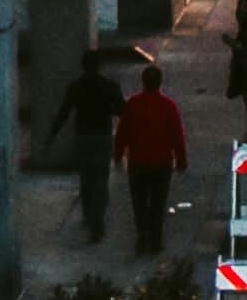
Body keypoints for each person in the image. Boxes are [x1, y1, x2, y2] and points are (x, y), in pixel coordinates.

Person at [46, 42, 129, 244]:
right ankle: (97, 221)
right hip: (101, 136)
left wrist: (51, 136)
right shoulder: (109, 86)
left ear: (83, 66)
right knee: (101, 177)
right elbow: (122, 110)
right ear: (99, 65)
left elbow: (64, 113)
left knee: (86, 176)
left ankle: (88, 214)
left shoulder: (75, 87)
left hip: (83, 136)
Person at [114, 57, 189, 260]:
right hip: (161, 163)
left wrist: (118, 154)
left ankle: (142, 236)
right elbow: (177, 136)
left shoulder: (132, 104)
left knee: (139, 202)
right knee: (158, 202)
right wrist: (181, 160)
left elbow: (123, 132)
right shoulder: (168, 106)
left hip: (138, 162)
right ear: (160, 83)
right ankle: (156, 238)